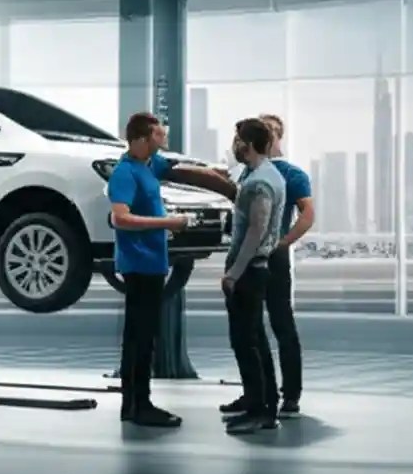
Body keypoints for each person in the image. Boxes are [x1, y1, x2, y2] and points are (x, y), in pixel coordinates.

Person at [219, 114, 314, 419]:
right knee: (252, 330)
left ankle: (289, 395)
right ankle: (258, 395)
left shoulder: (288, 175)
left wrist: (283, 242)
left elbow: (307, 214)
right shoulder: (250, 173)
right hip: (257, 253)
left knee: (280, 323)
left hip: (271, 254)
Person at [107, 111, 198, 427]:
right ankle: (139, 405)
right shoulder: (124, 173)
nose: (164, 138)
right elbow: (120, 218)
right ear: (142, 139)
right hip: (139, 263)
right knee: (140, 336)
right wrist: (168, 222)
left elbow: (178, 167)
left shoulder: (149, 165)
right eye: (159, 134)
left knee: (143, 334)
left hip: (152, 262)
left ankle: (134, 404)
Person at [219, 118, 287, 435]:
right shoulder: (263, 175)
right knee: (253, 340)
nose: (234, 145)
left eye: (238, 139)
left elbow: (256, 230)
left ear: (248, 144)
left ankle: (261, 411)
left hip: (249, 270)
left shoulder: (260, 183)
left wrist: (234, 273)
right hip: (254, 268)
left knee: (247, 343)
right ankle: (261, 405)